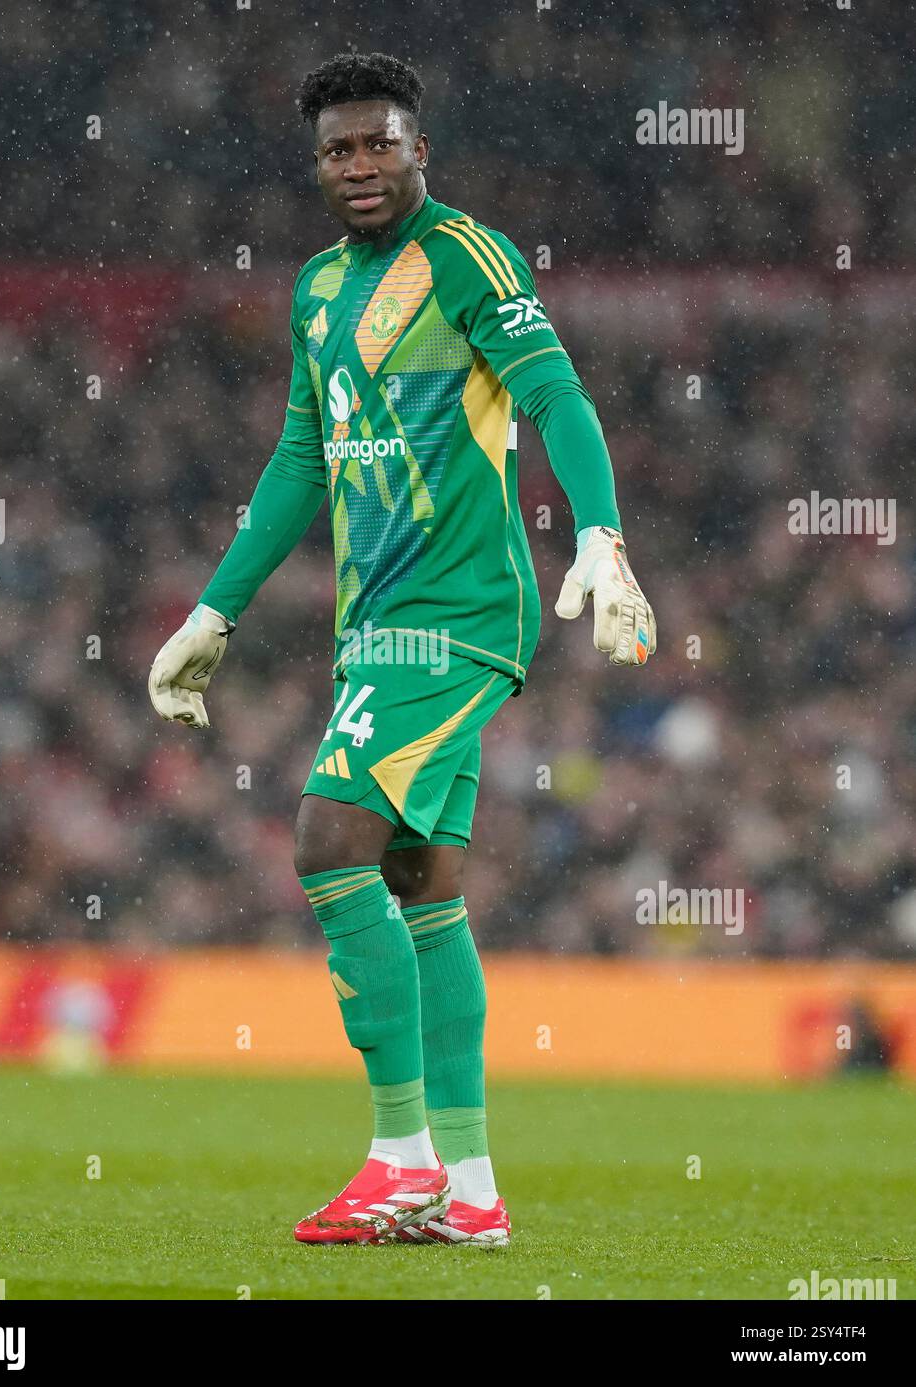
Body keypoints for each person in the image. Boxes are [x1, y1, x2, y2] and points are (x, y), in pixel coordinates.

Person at [149, 51, 656, 1247]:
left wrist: (599, 533)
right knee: (422, 892)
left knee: (330, 844)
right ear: (316, 163)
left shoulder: (469, 258)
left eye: (381, 143)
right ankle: (472, 1193)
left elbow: (555, 397)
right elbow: (299, 464)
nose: (362, 165)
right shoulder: (319, 290)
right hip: (374, 622)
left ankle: (399, 1158)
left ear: (420, 148)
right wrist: (213, 611)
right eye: (340, 149)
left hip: (460, 610)